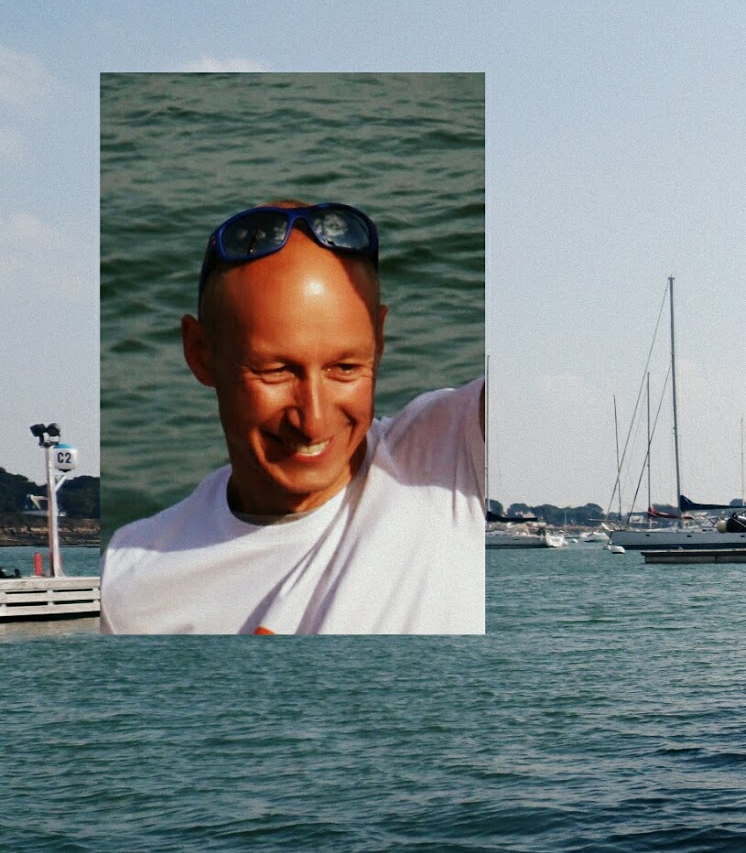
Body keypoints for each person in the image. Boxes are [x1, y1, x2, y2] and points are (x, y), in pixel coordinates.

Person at [101, 201, 484, 634]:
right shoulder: (130, 584)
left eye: (345, 368)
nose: (313, 422)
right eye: (276, 371)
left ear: (379, 340)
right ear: (200, 353)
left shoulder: (455, 455)